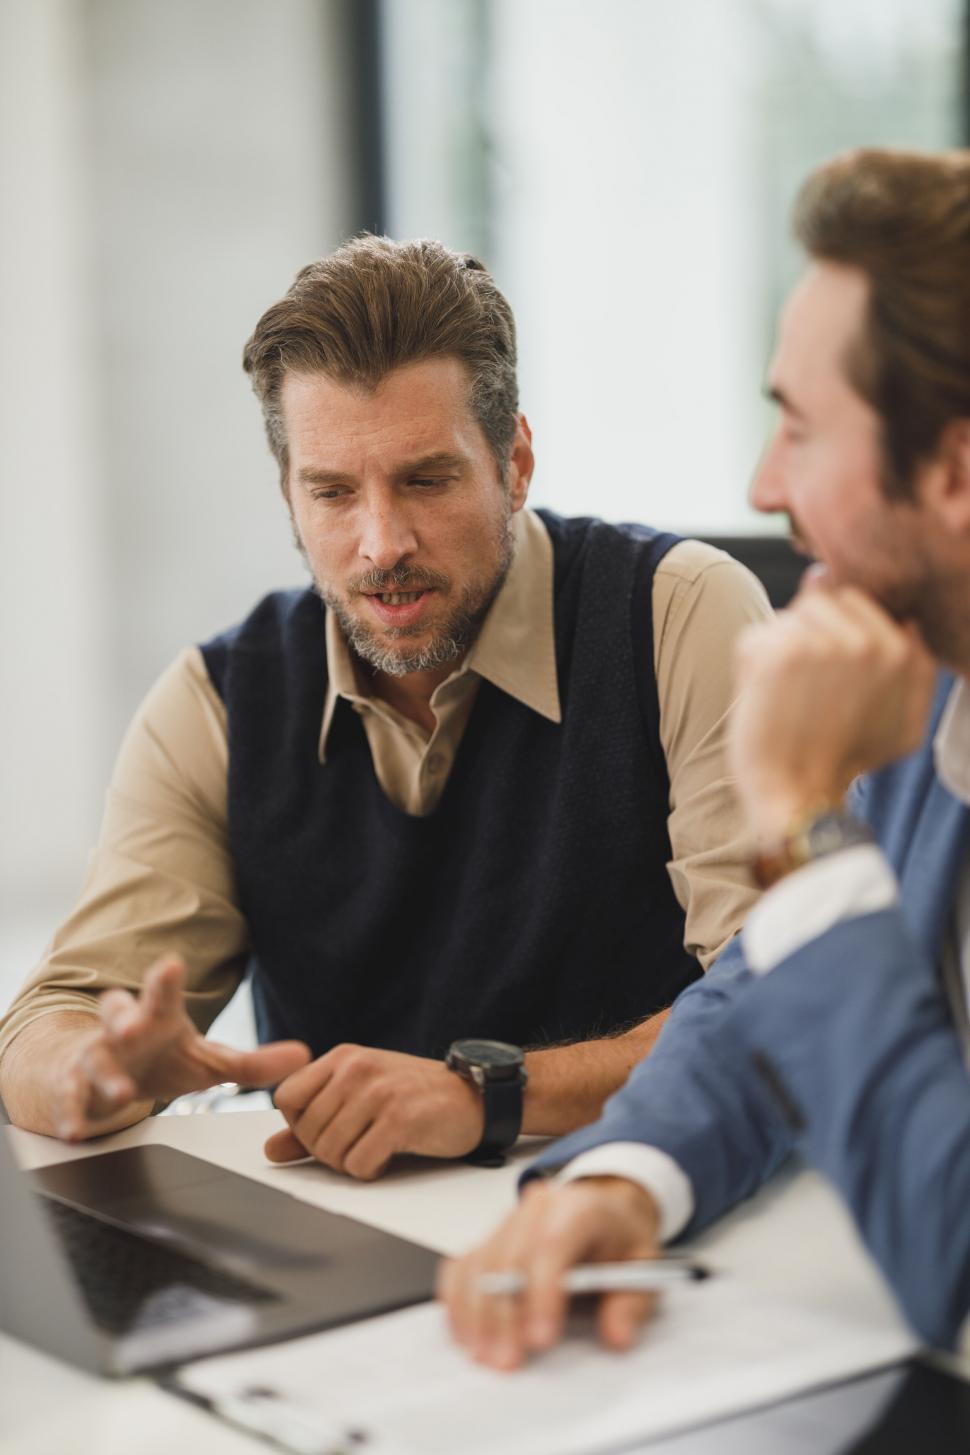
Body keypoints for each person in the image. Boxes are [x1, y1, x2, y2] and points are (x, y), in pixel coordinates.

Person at [0, 237, 768, 1179]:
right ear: (289, 496)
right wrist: (90, 1068)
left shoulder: (679, 616)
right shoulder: (218, 703)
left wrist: (484, 1097)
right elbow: (49, 1017)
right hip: (354, 1260)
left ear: (514, 462)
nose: (381, 543)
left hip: (647, 1205)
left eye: (426, 480)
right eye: (331, 492)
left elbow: (782, 991)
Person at [440, 146, 970, 1362]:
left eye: (798, 425)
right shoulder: (923, 674)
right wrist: (620, 1182)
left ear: (948, 466)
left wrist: (801, 826)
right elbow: (754, 998)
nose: (761, 481)